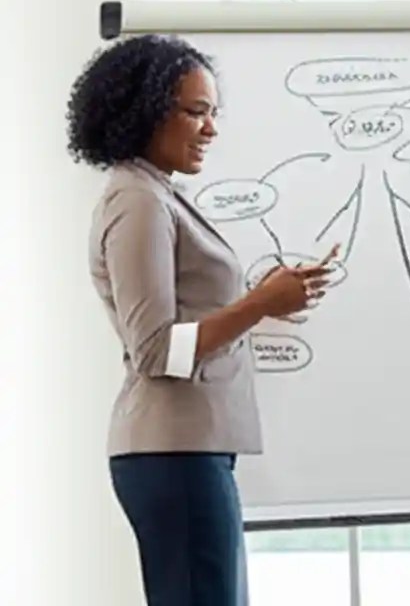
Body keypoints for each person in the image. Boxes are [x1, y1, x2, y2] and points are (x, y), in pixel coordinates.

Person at [68, 34, 335, 605]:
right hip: (173, 452)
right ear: (145, 110)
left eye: (214, 113)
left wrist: (266, 299)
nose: (211, 129)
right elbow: (156, 350)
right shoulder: (138, 201)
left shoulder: (157, 192)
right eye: (196, 112)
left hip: (188, 450)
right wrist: (258, 303)